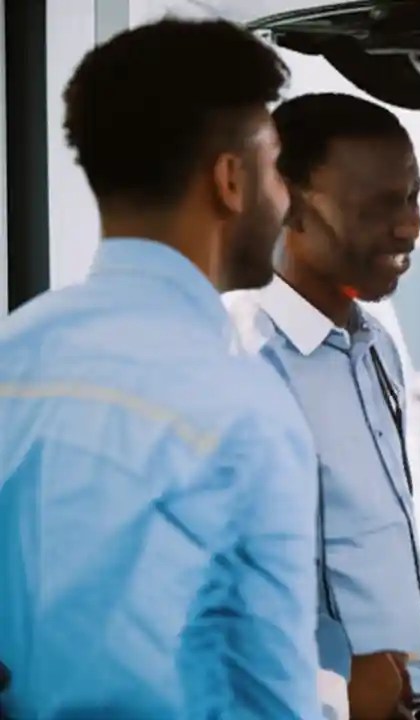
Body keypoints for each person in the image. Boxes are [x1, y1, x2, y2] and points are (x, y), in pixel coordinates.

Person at [0, 19, 322, 719]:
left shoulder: (12, 353)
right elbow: (270, 693)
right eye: (275, 168)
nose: (286, 198)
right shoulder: (244, 411)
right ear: (231, 180)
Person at [224, 92, 420, 720]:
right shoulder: (235, 360)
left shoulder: (378, 343)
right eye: (380, 204)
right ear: (285, 205)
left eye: (412, 197)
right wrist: (336, 682)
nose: (410, 225)